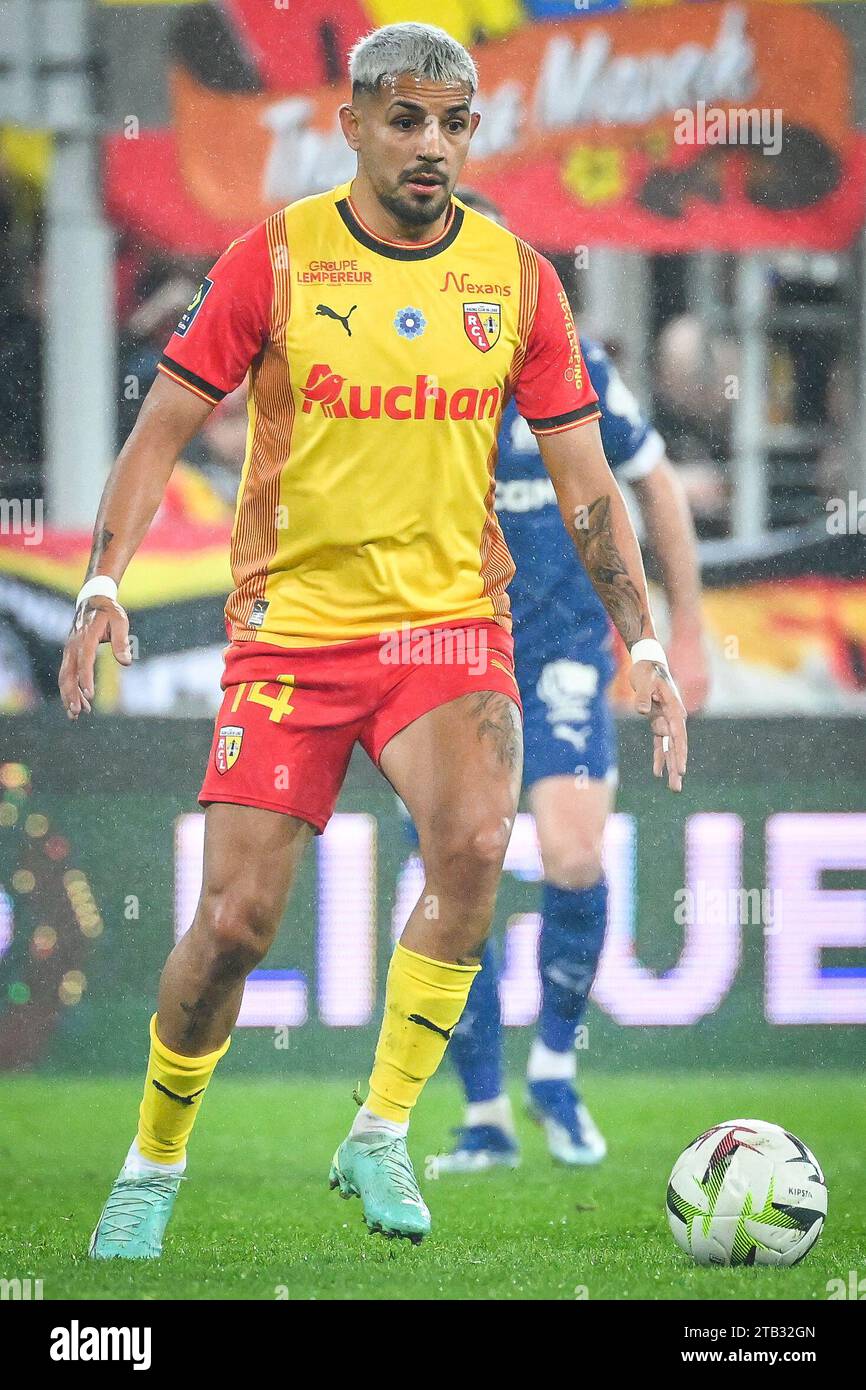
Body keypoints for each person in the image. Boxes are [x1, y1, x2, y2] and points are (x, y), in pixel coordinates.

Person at [59, 22, 686, 1257]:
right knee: (233, 925)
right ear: (351, 127)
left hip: (450, 624)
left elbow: (588, 486)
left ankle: (381, 1127)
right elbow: (161, 430)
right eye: (406, 120)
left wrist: (645, 643)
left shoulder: (515, 279)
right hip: (292, 629)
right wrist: (100, 582)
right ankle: (153, 1157)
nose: (432, 146)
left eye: (454, 124)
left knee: (472, 844)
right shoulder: (277, 257)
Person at [415, 191, 708, 1173]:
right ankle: (484, 1114)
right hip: (459, 657)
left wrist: (681, 633)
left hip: (569, 651)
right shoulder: (417, 385)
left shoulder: (571, 367)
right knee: (466, 873)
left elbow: (655, 483)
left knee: (574, 854)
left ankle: (552, 1069)